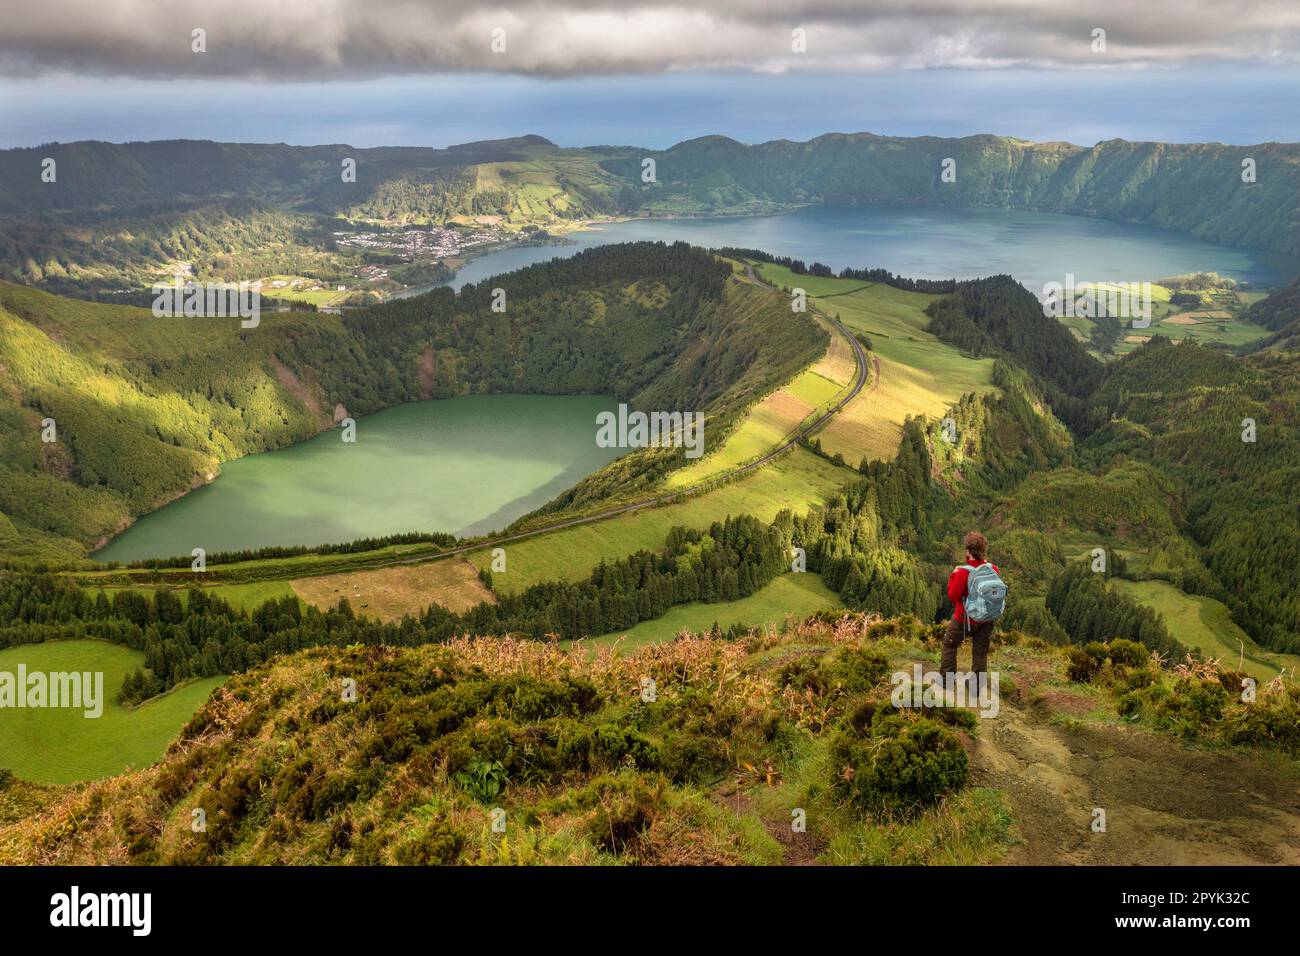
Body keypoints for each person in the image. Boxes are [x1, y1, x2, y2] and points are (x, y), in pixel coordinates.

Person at [942, 531, 998, 681]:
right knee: (980, 652)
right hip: (987, 619)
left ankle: (947, 682)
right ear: (983, 551)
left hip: (964, 618)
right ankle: (976, 687)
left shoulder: (962, 572)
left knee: (949, 645)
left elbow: (953, 596)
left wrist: (953, 575)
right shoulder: (993, 569)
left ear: (968, 551)